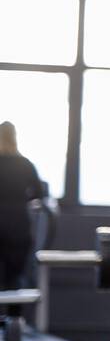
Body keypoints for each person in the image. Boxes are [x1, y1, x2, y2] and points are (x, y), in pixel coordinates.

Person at [0, 122, 42, 289]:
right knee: (15, 276)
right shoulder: (25, 164)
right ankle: (14, 314)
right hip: (18, 224)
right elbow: (39, 193)